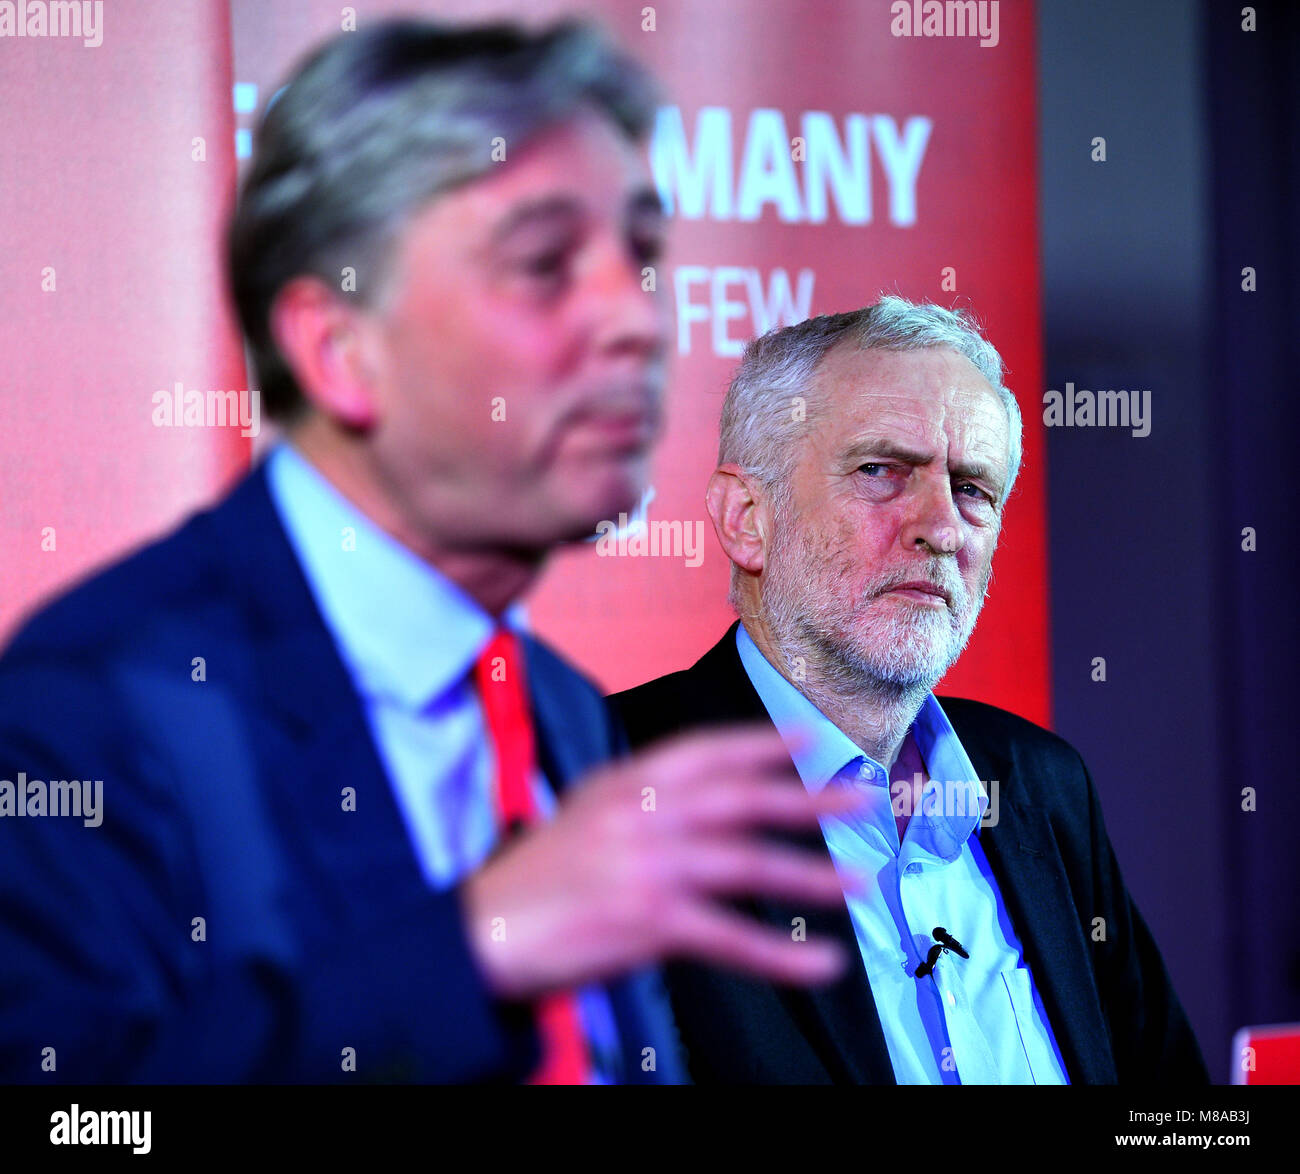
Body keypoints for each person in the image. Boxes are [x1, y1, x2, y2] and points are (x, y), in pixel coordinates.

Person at [0, 18, 868, 1084]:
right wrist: (478, 947)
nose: (635, 321)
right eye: (544, 262)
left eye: (638, 253)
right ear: (339, 349)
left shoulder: (560, 706)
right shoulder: (96, 701)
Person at [612, 298, 1212, 1084]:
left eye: (973, 488)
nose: (941, 525)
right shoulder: (607, 784)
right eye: (881, 472)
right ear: (746, 518)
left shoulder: (1042, 785)